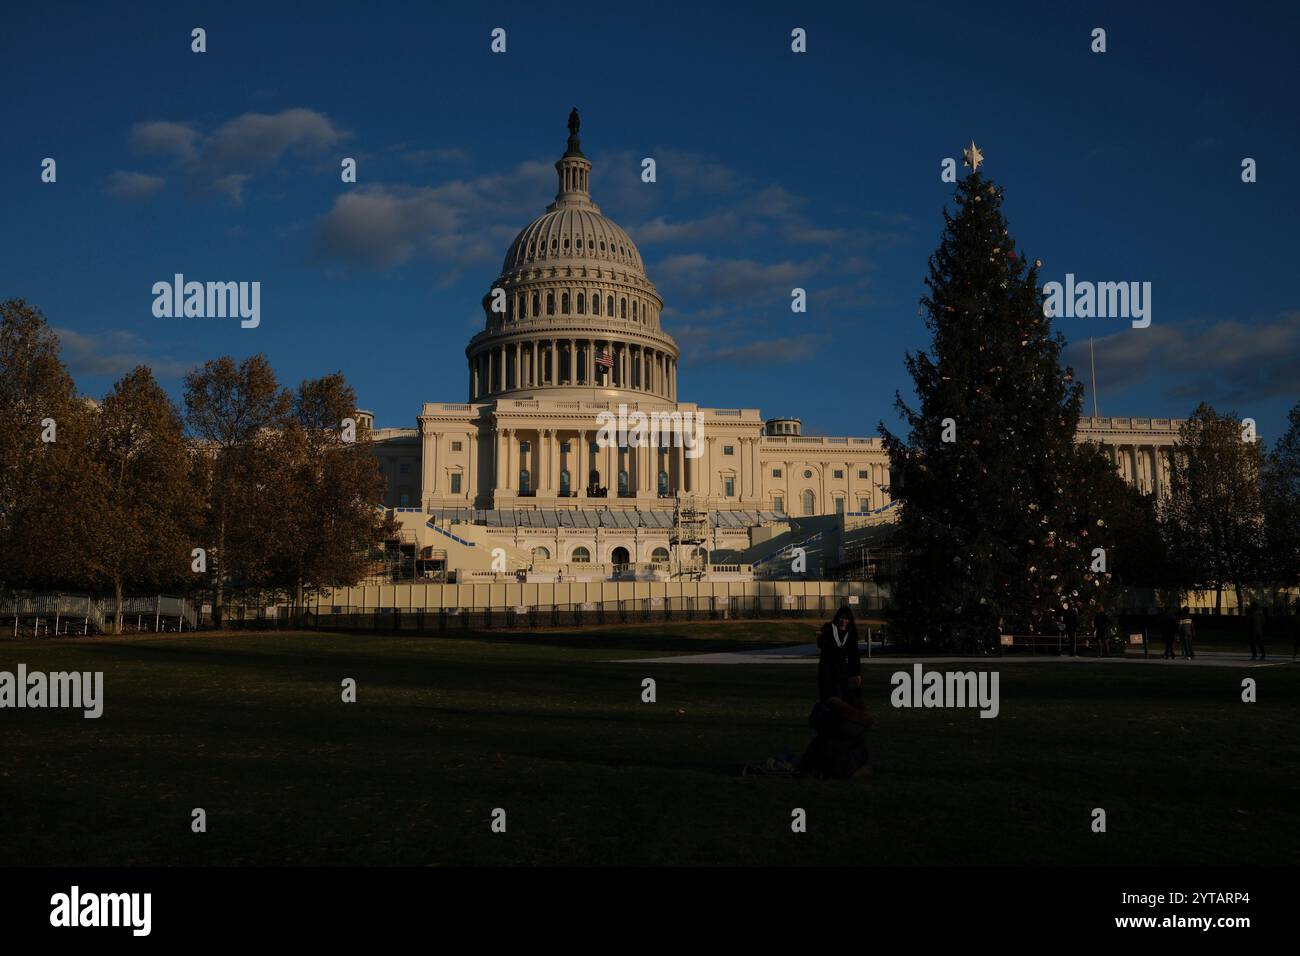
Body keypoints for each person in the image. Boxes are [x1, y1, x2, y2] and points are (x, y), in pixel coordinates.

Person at [800, 605, 872, 779]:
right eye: (841, 617)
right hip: (830, 675)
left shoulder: (851, 634)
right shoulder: (829, 631)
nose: (843, 621)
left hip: (845, 676)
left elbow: (854, 656)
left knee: (844, 704)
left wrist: (857, 675)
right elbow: (822, 645)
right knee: (832, 702)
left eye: (847, 618)